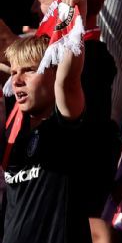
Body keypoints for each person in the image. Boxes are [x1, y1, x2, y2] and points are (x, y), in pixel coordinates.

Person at [1, 17, 113, 243]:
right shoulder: (17, 137)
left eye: (30, 70)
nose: (18, 81)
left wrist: (77, 16)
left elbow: (69, 82)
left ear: (54, 73)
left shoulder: (65, 128)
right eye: (14, 73)